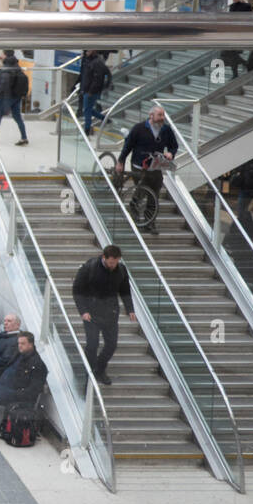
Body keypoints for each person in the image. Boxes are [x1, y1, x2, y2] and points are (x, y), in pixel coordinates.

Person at [72, 245, 136, 385]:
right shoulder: (90, 268)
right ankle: (89, 371)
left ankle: (99, 368)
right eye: (111, 262)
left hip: (110, 313)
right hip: (92, 312)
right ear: (104, 258)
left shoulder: (121, 270)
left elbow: (125, 291)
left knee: (111, 344)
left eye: (116, 262)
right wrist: (83, 311)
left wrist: (130, 309)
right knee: (92, 344)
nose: (114, 265)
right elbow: (77, 290)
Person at [116, 106, 178, 234]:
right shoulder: (139, 128)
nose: (162, 118)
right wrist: (121, 161)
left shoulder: (166, 130)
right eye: (159, 115)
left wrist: (171, 154)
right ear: (151, 116)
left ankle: (150, 223)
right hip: (139, 165)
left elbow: (174, 146)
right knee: (143, 189)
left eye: (163, 115)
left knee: (154, 194)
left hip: (156, 166)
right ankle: (134, 207)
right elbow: (128, 146)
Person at [0, 53, 29, 146]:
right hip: (17, 97)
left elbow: (4, 85)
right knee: (18, 117)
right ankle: (24, 137)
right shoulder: (18, 69)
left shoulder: (6, 70)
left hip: (6, 97)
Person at [78, 49, 111, 136]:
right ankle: (104, 119)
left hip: (91, 91)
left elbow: (97, 79)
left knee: (87, 111)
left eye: (88, 51)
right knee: (89, 109)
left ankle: (87, 130)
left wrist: (91, 91)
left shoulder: (96, 62)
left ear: (93, 51)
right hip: (86, 89)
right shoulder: (88, 61)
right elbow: (84, 76)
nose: (86, 53)